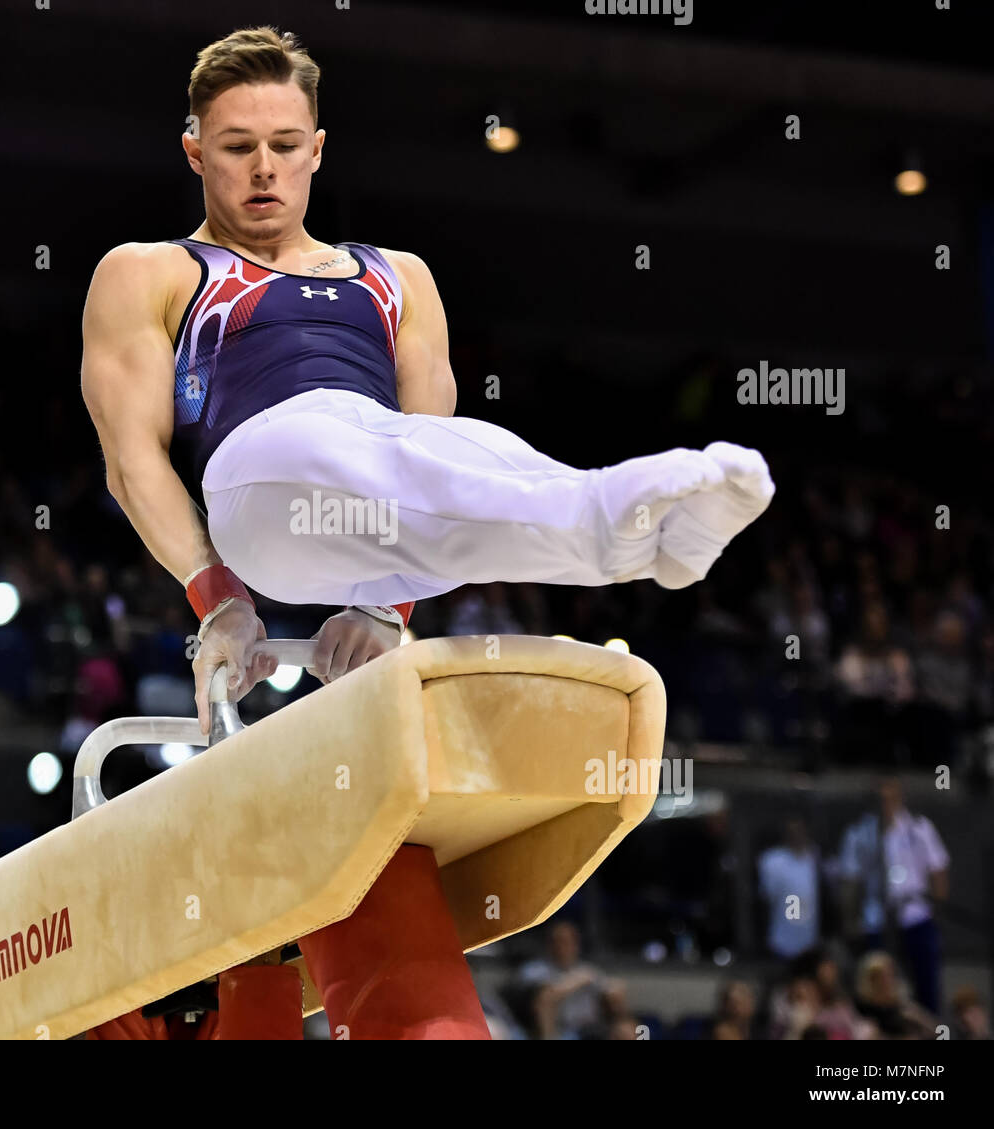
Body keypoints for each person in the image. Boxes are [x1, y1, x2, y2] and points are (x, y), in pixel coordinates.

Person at [77, 25, 774, 1041]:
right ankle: (609, 521)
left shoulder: (397, 275)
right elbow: (131, 459)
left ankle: (628, 541)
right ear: (194, 150)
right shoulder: (152, 271)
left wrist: (381, 608)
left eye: (283, 142)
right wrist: (217, 598)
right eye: (235, 146)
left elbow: (428, 468)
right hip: (264, 480)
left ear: (319, 146)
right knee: (359, 446)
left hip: (377, 486)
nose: (263, 167)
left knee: (467, 457)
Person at [838, 777, 949, 1013]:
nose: (886, 804)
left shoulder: (919, 828)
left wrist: (936, 911)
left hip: (915, 914)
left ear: (901, 799)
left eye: (891, 799)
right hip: (876, 917)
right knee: (875, 983)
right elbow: (850, 878)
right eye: (881, 800)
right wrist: (850, 920)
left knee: (926, 982)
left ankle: (927, 1027)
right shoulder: (859, 833)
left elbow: (938, 868)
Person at [756, 816, 821, 961]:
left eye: (799, 830)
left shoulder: (815, 857)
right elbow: (766, 898)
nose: (796, 835)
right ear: (785, 833)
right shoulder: (771, 861)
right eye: (791, 831)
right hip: (781, 941)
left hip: (811, 942)